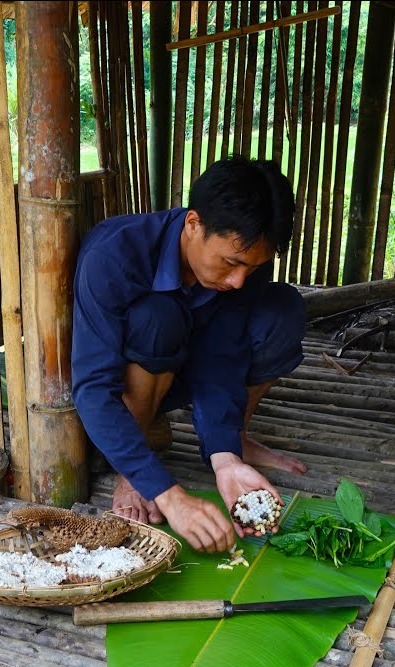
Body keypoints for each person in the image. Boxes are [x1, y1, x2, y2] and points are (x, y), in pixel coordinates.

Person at [71, 156, 309, 554]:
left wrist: (224, 456)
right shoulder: (114, 257)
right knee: (157, 317)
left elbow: (222, 355)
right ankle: (134, 463)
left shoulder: (242, 266)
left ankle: (231, 441)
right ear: (193, 224)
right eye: (231, 263)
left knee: (283, 309)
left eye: (251, 268)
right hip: (132, 375)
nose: (238, 280)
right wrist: (165, 492)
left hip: (187, 369)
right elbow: (92, 388)